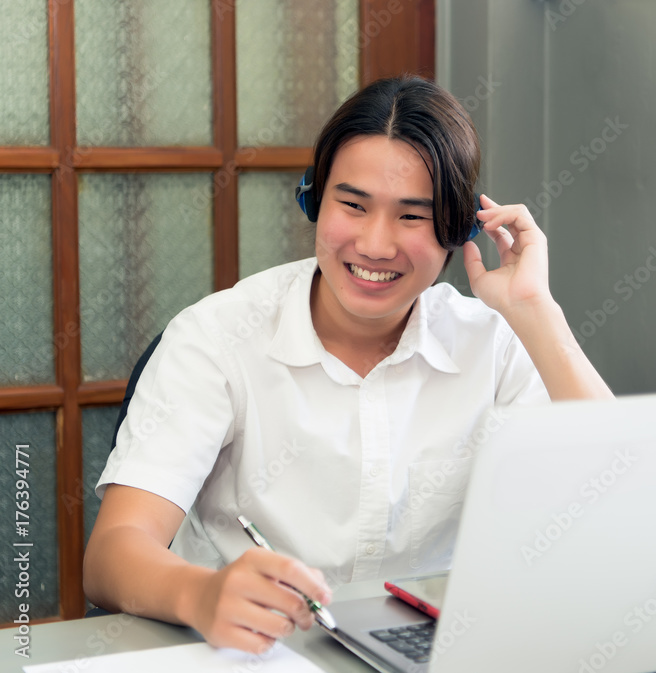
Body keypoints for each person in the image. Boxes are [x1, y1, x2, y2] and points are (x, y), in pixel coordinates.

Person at [82, 75, 613, 654]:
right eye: (353, 205)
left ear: (458, 230)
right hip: (252, 652)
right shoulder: (216, 337)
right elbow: (113, 554)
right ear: (314, 199)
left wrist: (536, 312)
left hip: (432, 650)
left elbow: (620, 493)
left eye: (412, 217)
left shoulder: (494, 342)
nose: (376, 245)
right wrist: (203, 596)